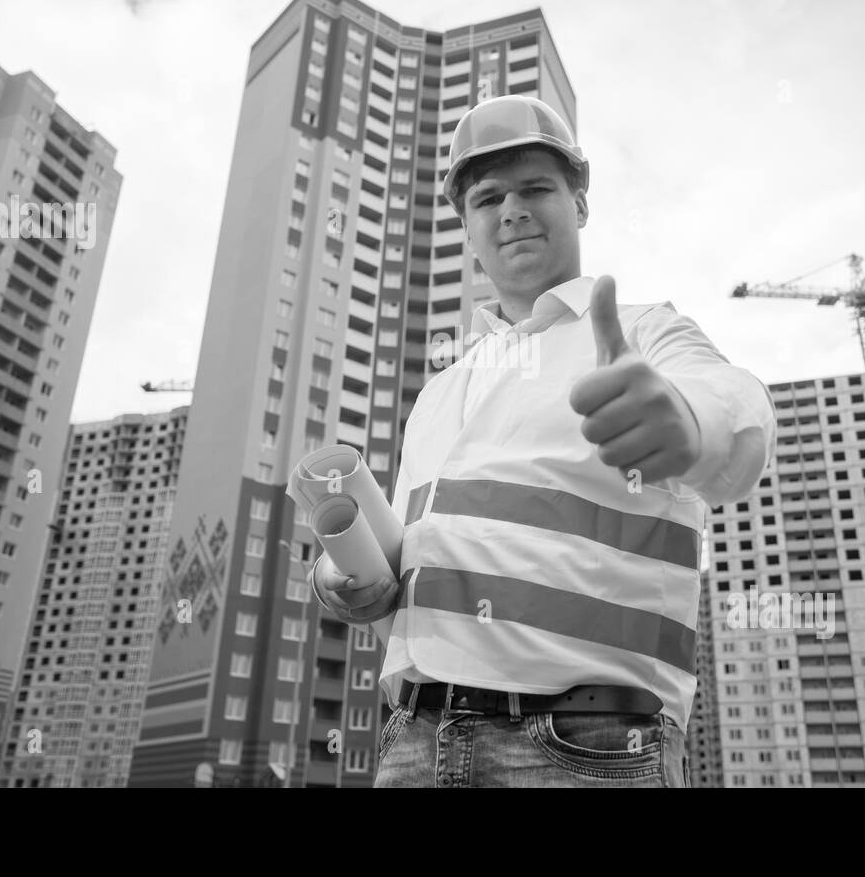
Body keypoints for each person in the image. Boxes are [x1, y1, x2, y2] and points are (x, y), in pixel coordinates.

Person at [310, 94, 775, 787]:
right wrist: (340, 581)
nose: (512, 210)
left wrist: (687, 424)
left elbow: (739, 410)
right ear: (467, 226)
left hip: (586, 742)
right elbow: (407, 556)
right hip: (413, 738)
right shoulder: (441, 392)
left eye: (536, 189)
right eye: (488, 197)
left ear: (579, 205)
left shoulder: (641, 332)